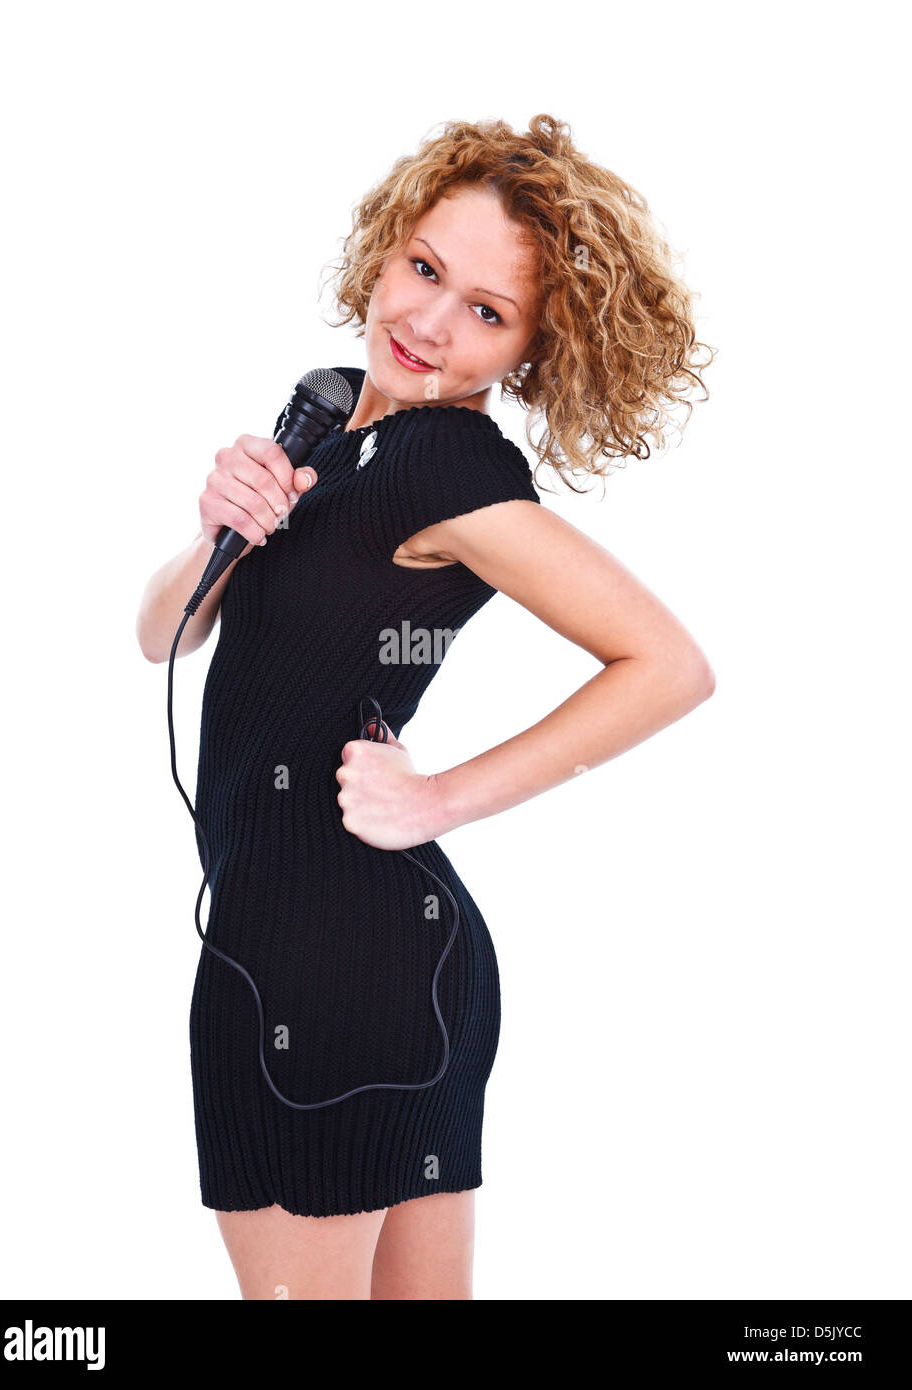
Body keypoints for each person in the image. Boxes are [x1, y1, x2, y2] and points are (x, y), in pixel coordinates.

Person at [136, 113, 716, 1300]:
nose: (429, 322)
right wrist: (219, 528)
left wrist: (441, 795)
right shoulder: (330, 417)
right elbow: (165, 635)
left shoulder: (441, 463)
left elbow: (666, 664)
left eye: (487, 314)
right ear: (388, 244)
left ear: (529, 353)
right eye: (424, 269)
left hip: (313, 973)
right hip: (376, 964)